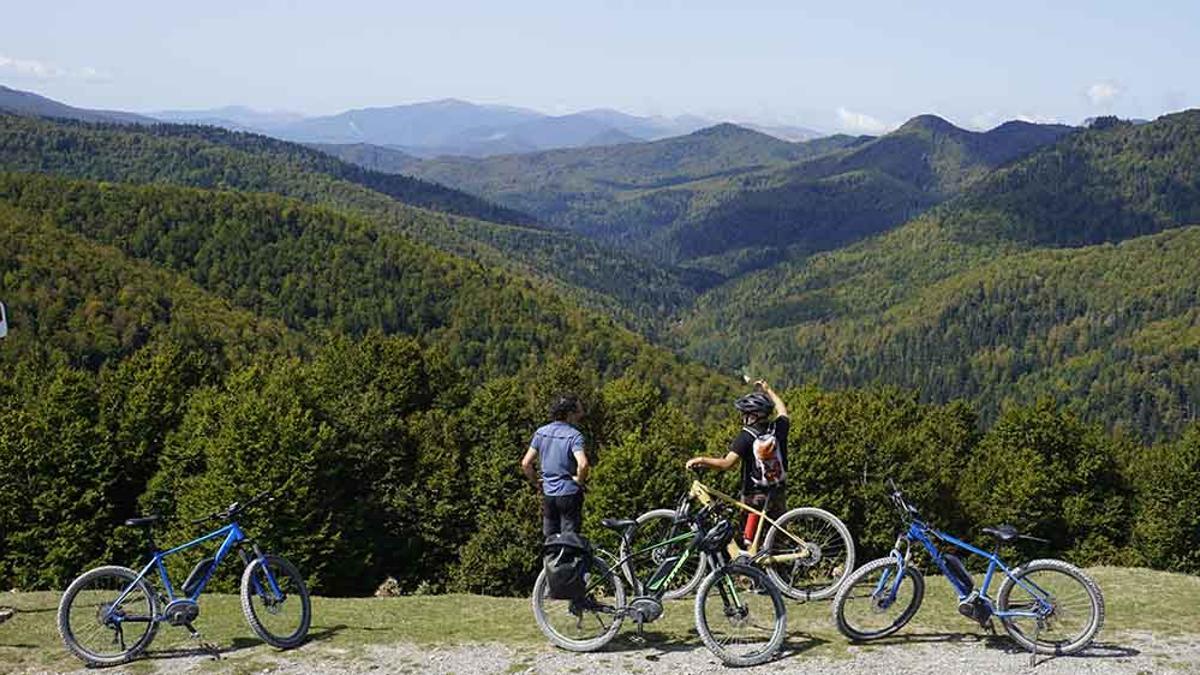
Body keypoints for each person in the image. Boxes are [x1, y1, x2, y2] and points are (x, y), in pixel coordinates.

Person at [686, 380, 790, 544]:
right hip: (777, 491)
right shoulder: (778, 428)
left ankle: (748, 563)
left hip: (754, 495)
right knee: (778, 535)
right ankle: (783, 565)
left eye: (745, 414)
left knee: (746, 539)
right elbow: (782, 410)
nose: (742, 417)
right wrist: (769, 390)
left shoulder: (746, 435)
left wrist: (701, 459)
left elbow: (727, 464)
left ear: (753, 416)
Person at [521, 394, 590, 537]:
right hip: (569, 493)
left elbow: (526, 463)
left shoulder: (541, 433)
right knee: (570, 540)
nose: (580, 415)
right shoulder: (574, 436)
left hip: (549, 493)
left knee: (550, 538)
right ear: (569, 414)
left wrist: (536, 483)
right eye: (577, 412)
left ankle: (551, 559)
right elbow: (583, 464)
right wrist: (579, 481)